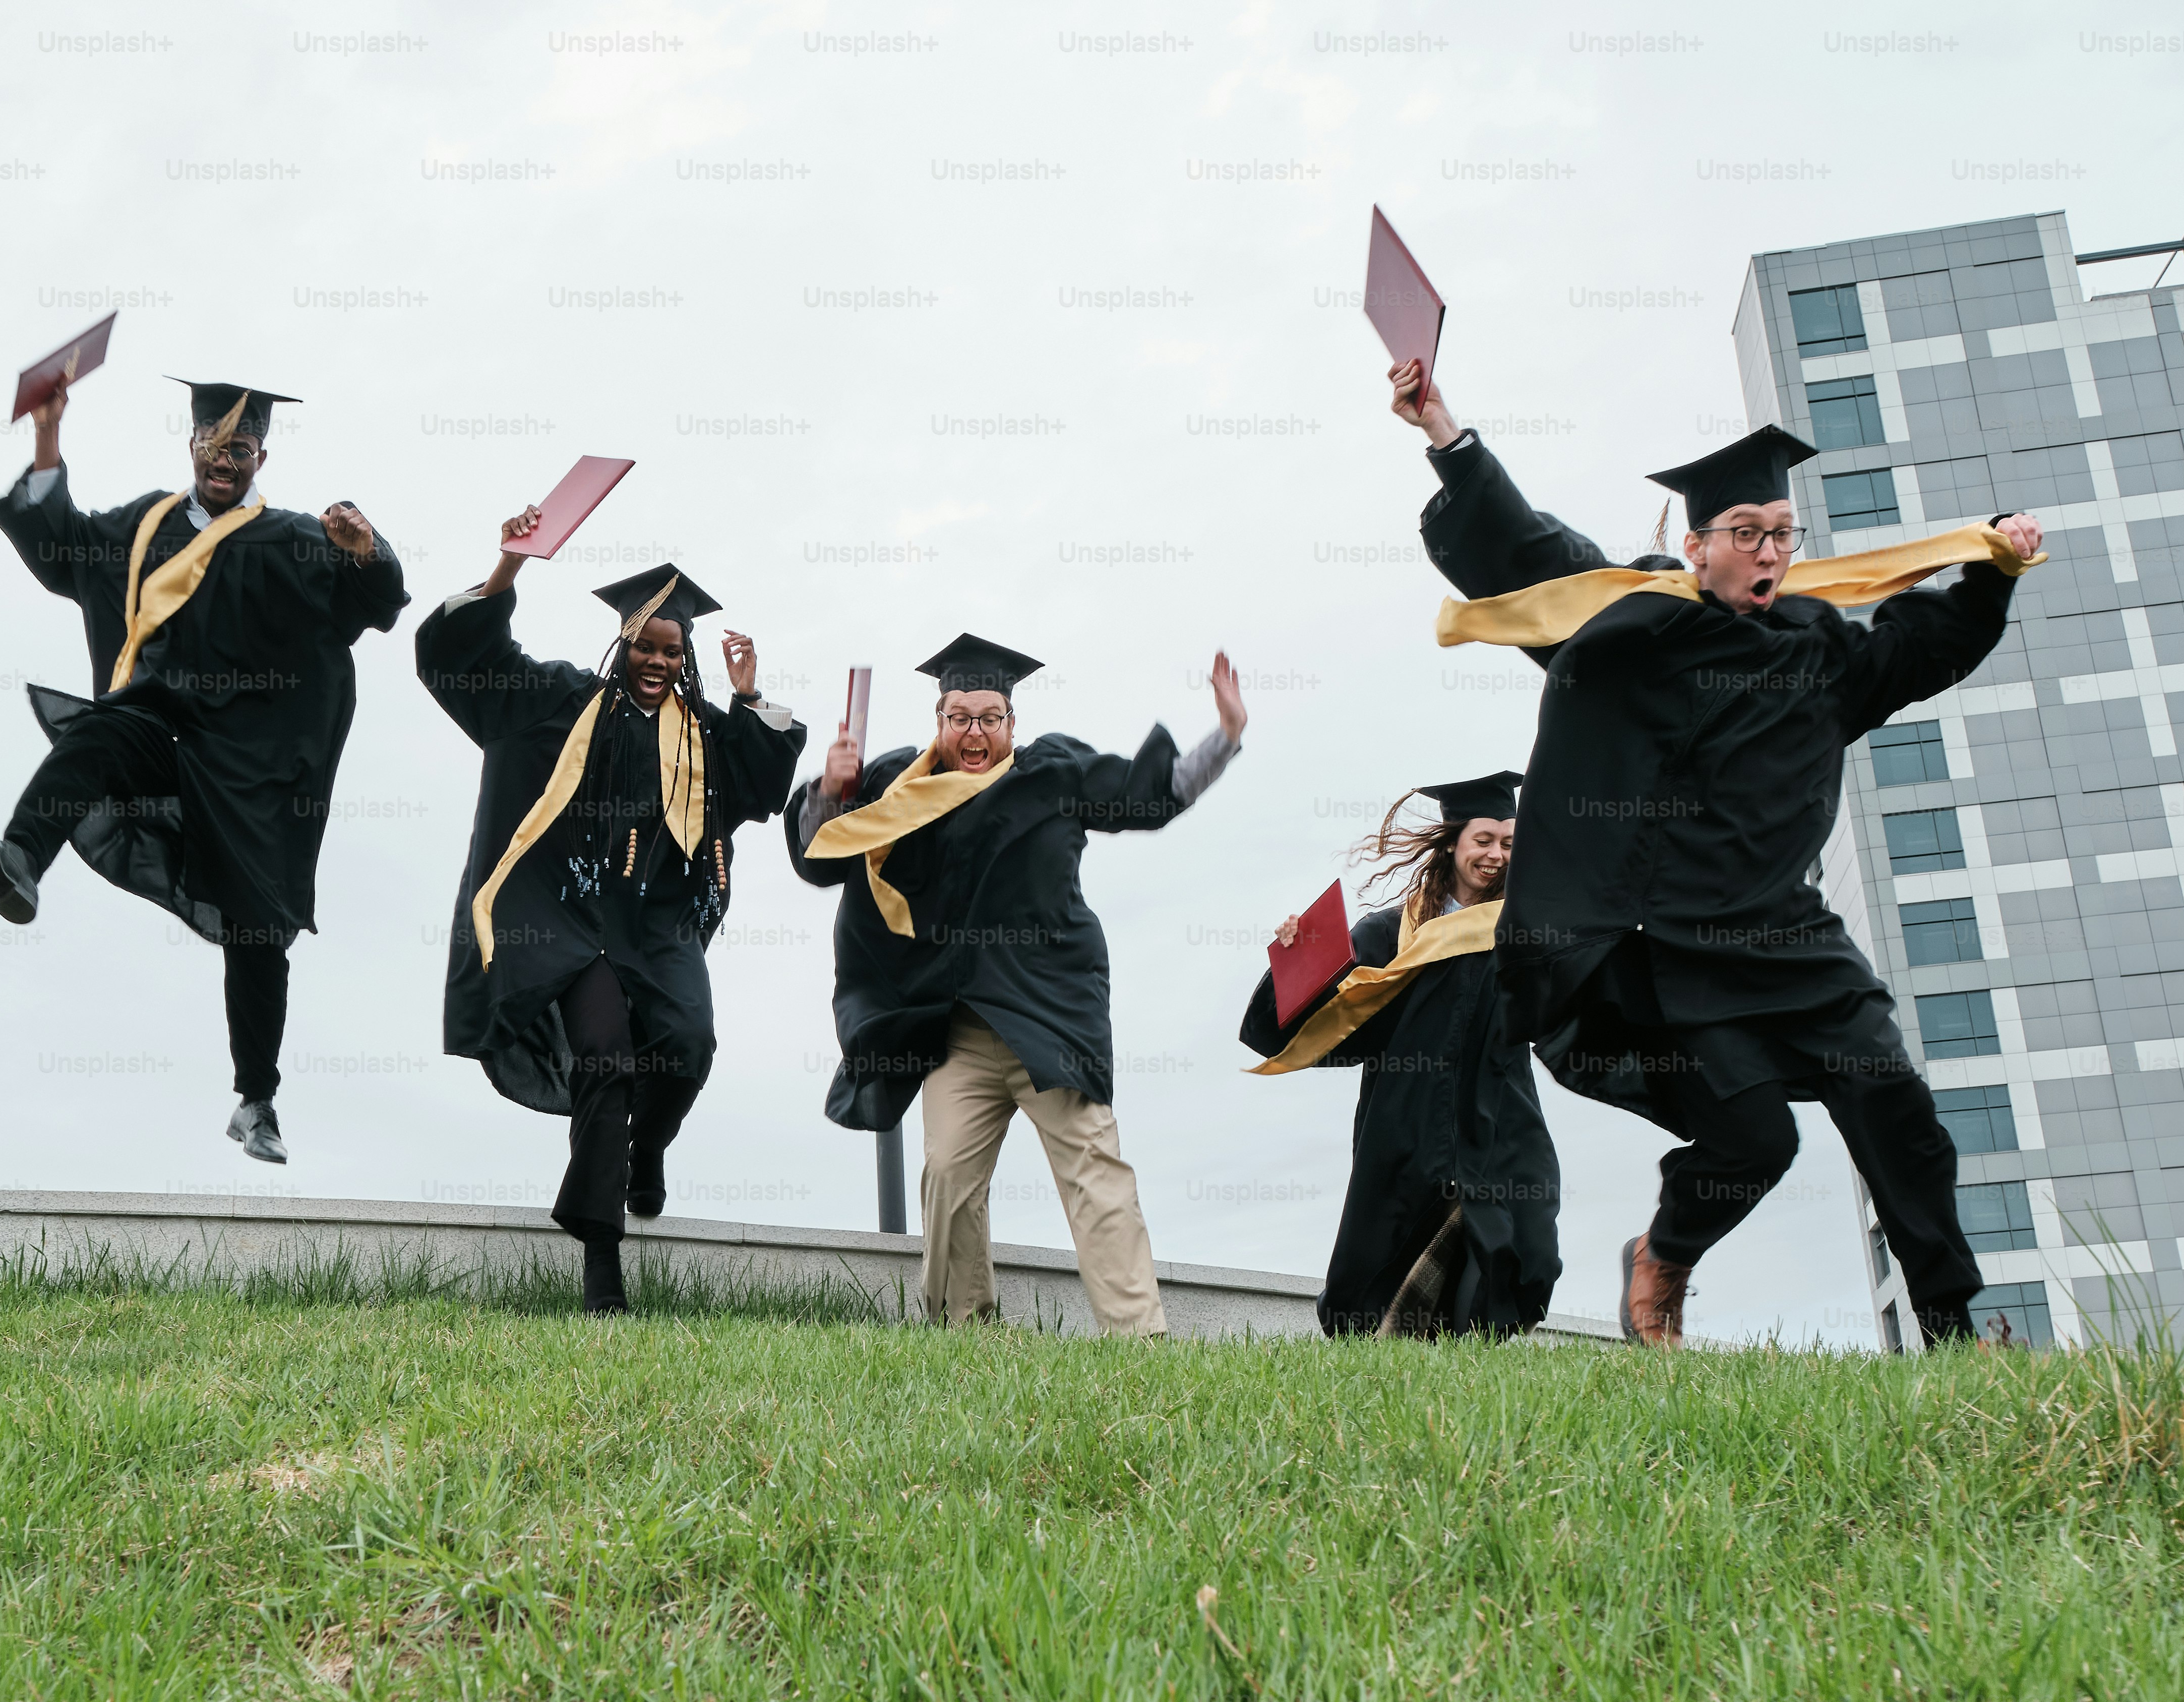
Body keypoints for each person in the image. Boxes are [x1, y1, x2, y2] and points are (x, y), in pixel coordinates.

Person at [1390, 356, 2045, 1348]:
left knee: (1896, 1108)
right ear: (1698, 546)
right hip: (1664, 953)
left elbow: (1918, 648)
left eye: (1783, 534)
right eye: (1747, 533)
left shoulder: (1820, 649)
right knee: (1754, 1139)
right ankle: (1662, 1259)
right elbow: (1531, 555)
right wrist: (1447, 431)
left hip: (1789, 939)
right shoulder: (1634, 625)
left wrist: (1992, 570)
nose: (1769, 550)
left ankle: (1953, 1328)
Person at [0, 376, 407, 1165]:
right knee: (100, 732)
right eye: (212, 445)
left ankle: (256, 1097)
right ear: (190, 444)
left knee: (257, 929)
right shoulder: (148, 523)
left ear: (262, 454)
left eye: (241, 448)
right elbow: (64, 549)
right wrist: (48, 434)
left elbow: (374, 601)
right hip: (162, 726)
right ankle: (20, 863)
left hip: (249, 765)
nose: (224, 459)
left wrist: (367, 552)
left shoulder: (293, 539)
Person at [786, 635, 1248, 1337]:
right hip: (955, 1026)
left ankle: (1140, 1338)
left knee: (1094, 1168)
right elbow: (822, 857)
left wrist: (1226, 735)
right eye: (961, 716)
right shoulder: (900, 784)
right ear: (939, 718)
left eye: (990, 717)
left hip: (1047, 1016)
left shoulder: (1051, 772)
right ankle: (964, 1335)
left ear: (1012, 721)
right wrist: (830, 790)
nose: (976, 733)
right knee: (946, 1174)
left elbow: (1149, 797)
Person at [416, 510, 806, 1313]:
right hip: (576, 918)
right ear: (622, 644)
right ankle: (603, 1261)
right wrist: (507, 566)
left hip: (658, 926)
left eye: (672, 649)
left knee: (691, 1044)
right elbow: (472, 662)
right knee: (604, 1056)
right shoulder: (564, 699)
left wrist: (749, 695)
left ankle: (647, 1149)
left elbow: (763, 786)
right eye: (645, 645)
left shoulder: (702, 735)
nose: (658, 660)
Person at [1240, 771, 1558, 1338]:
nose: (1495, 854)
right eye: (1484, 840)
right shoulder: (1393, 934)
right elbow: (1314, 1020)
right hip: (1406, 1115)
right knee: (1383, 1249)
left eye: (1509, 843)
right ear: (1454, 842)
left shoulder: (1523, 934)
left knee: (1528, 1241)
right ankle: (1395, 1356)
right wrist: (1293, 959)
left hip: (1502, 1112)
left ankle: (1472, 1345)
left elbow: (1566, 1010)